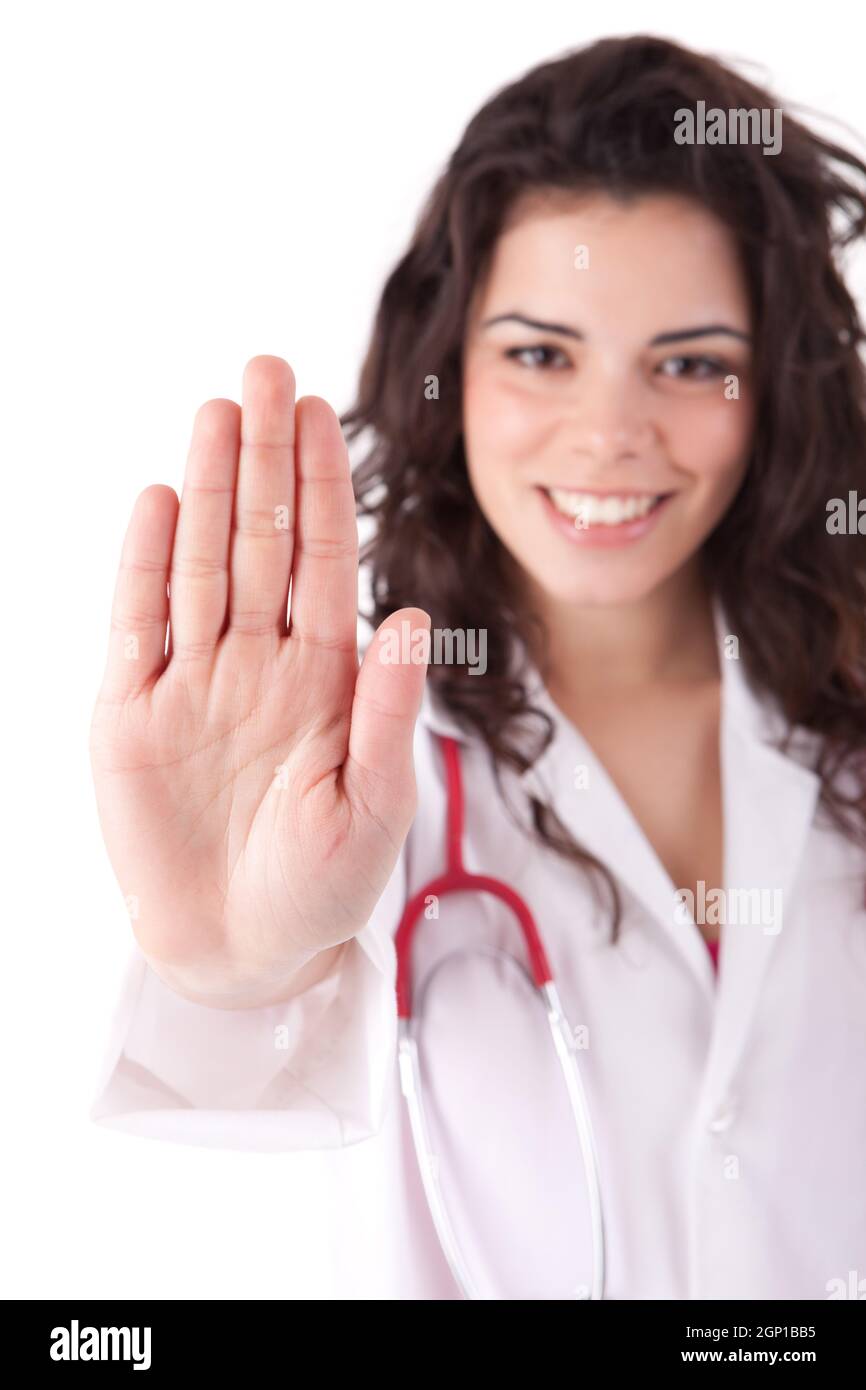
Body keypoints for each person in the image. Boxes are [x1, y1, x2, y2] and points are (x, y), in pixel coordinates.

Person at [88, 34, 866, 1299]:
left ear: (770, 386)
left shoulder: (842, 722)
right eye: (540, 353)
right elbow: (215, 1156)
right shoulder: (338, 752)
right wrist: (224, 969)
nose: (610, 434)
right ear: (449, 370)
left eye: (688, 362)